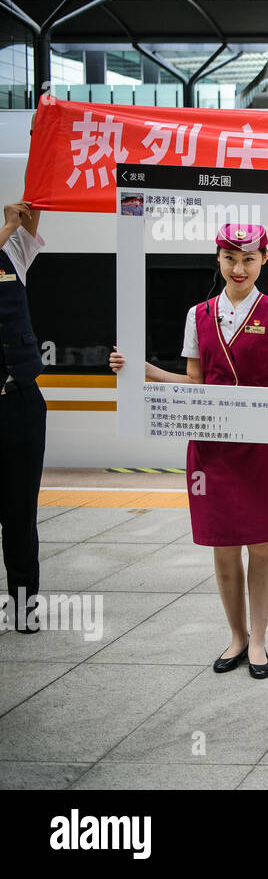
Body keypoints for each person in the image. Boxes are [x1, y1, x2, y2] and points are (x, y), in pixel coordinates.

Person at [109, 224, 268, 678]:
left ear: (265, 258)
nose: (238, 268)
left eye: (248, 258)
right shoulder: (198, 314)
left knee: (262, 544)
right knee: (222, 545)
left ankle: (258, 639)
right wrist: (140, 368)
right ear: (218, 259)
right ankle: (237, 636)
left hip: (261, 444)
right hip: (211, 444)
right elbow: (194, 384)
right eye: (229, 258)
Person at [1, 201, 45, 634]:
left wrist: (42, 135)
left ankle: (22, 606)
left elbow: (32, 212)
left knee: (20, 514)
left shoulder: (11, 255)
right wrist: (7, 224)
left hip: (21, 401)